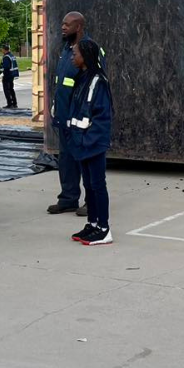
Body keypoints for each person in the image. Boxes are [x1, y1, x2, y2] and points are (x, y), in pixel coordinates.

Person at [48, 11, 104, 217]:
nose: (63, 27)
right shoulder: (65, 50)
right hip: (64, 118)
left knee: (86, 161)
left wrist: (88, 115)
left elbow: (95, 83)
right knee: (66, 159)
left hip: (80, 119)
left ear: (78, 27)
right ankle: (68, 199)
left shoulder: (90, 50)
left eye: (67, 24)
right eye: (62, 24)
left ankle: (92, 202)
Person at [65, 39, 114, 246]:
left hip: (92, 144)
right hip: (81, 144)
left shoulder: (98, 81)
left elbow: (103, 117)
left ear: (85, 56)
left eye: (75, 53)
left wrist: (87, 140)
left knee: (97, 185)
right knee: (88, 185)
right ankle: (92, 223)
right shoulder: (81, 78)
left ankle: (103, 228)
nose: (72, 57)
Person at [0, 44, 19, 109]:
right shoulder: (12, 56)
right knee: (11, 89)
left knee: (6, 90)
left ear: (4, 50)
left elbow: (6, 67)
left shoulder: (6, 57)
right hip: (12, 75)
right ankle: (14, 103)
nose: (1, 50)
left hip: (7, 75)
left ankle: (9, 104)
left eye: (2, 49)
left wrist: (3, 74)